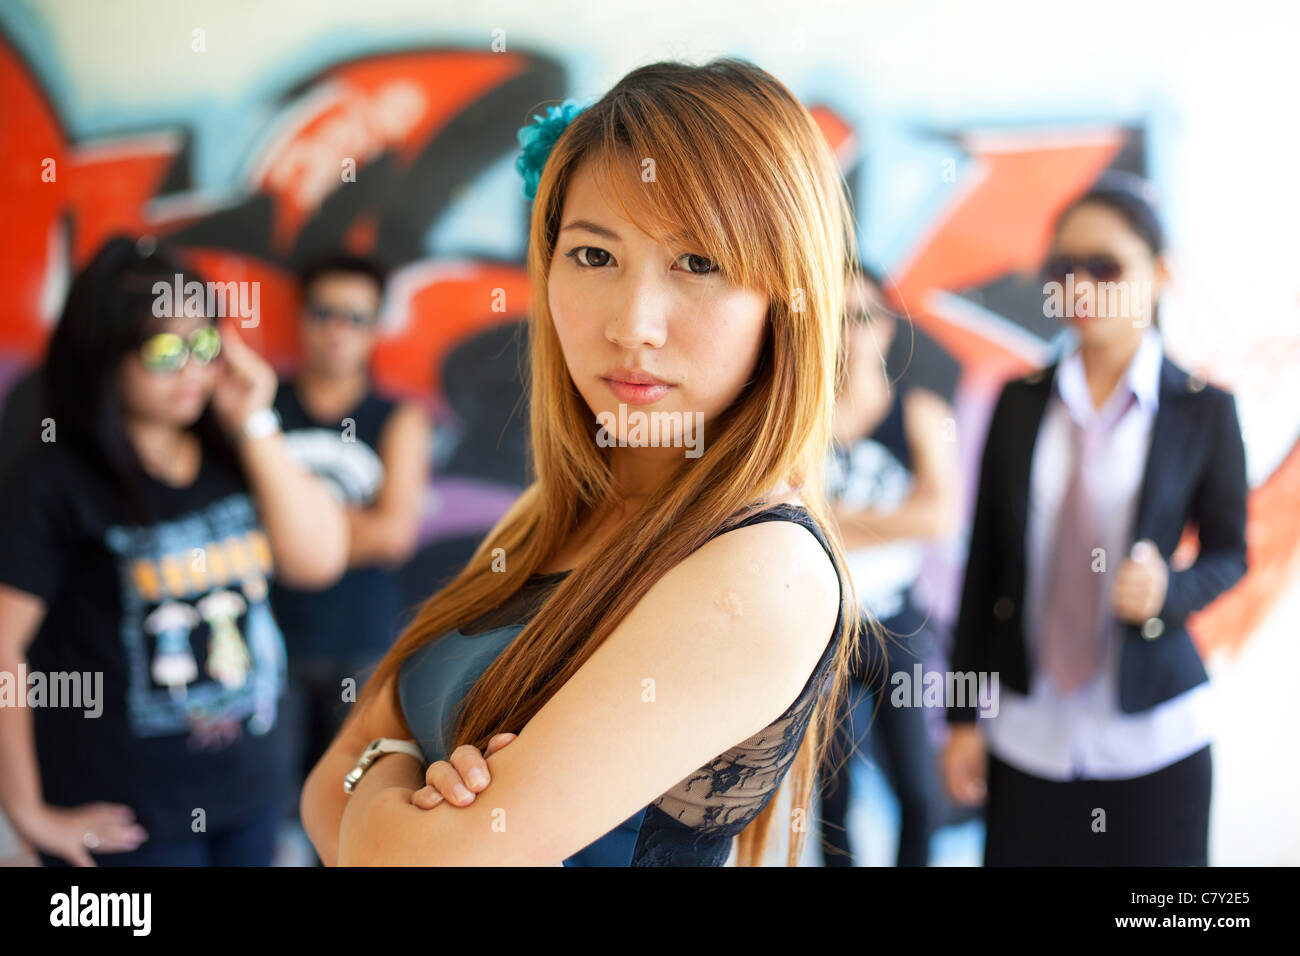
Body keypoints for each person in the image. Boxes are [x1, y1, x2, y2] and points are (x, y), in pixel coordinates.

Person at [300, 57, 880, 866]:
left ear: (786, 299)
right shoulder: (554, 510)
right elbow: (325, 779)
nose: (633, 325)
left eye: (699, 263)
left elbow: (394, 839)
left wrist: (386, 781)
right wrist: (395, 780)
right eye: (595, 256)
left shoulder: (765, 567)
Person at [0, 236, 348, 866]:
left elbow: (318, 561)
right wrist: (25, 811)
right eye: (164, 349)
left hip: (250, 795)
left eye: (205, 343)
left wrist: (256, 421)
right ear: (105, 355)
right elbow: (2, 648)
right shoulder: (54, 479)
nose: (192, 368)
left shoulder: (233, 447)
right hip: (127, 818)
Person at [941, 172, 1248, 865]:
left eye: (1106, 266)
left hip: (1154, 739)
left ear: (1159, 273)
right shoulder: (1018, 402)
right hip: (1029, 736)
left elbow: (1232, 554)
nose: (1080, 285)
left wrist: (1170, 591)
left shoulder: (1204, 410)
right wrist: (963, 717)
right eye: (1064, 267)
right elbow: (982, 564)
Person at [269, 253, 430, 862]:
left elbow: (393, 533)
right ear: (303, 317)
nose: (338, 329)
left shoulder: (397, 418)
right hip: (267, 643)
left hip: (361, 645)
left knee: (346, 810)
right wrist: (350, 527)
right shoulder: (263, 410)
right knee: (272, 807)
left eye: (356, 318)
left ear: (374, 327)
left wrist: (289, 531)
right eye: (325, 313)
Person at [817, 263, 959, 866]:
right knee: (831, 799)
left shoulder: (919, 412)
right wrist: (896, 514)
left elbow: (940, 518)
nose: (851, 332)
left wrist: (837, 521)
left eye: (864, 316)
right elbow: (782, 518)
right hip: (821, 625)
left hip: (896, 623)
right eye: (838, 317)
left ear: (886, 328)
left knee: (920, 793)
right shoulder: (803, 415)